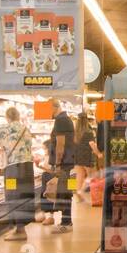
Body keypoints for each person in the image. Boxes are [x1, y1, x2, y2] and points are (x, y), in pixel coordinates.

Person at [0, 107, 35, 241]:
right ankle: (22, 228)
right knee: (25, 195)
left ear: (7, 117)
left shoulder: (3, 128)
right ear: (18, 117)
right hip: (27, 168)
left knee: (13, 196)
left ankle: (19, 230)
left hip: (13, 169)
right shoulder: (25, 128)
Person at [46, 98, 76, 232]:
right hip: (68, 162)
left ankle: (66, 223)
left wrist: (57, 164)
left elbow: (60, 145)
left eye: (48, 109)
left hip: (64, 163)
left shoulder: (61, 120)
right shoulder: (65, 119)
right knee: (65, 192)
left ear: (54, 107)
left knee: (64, 192)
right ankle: (66, 221)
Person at [71, 111, 97, 203]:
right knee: (91, 175)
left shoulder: (75, 132)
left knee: (79, 176)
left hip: (77, 156)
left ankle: (78, 195)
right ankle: (81, 191)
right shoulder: (89, 132)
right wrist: (98, 153)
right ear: (86, 120)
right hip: (87, 156)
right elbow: (92, 144)